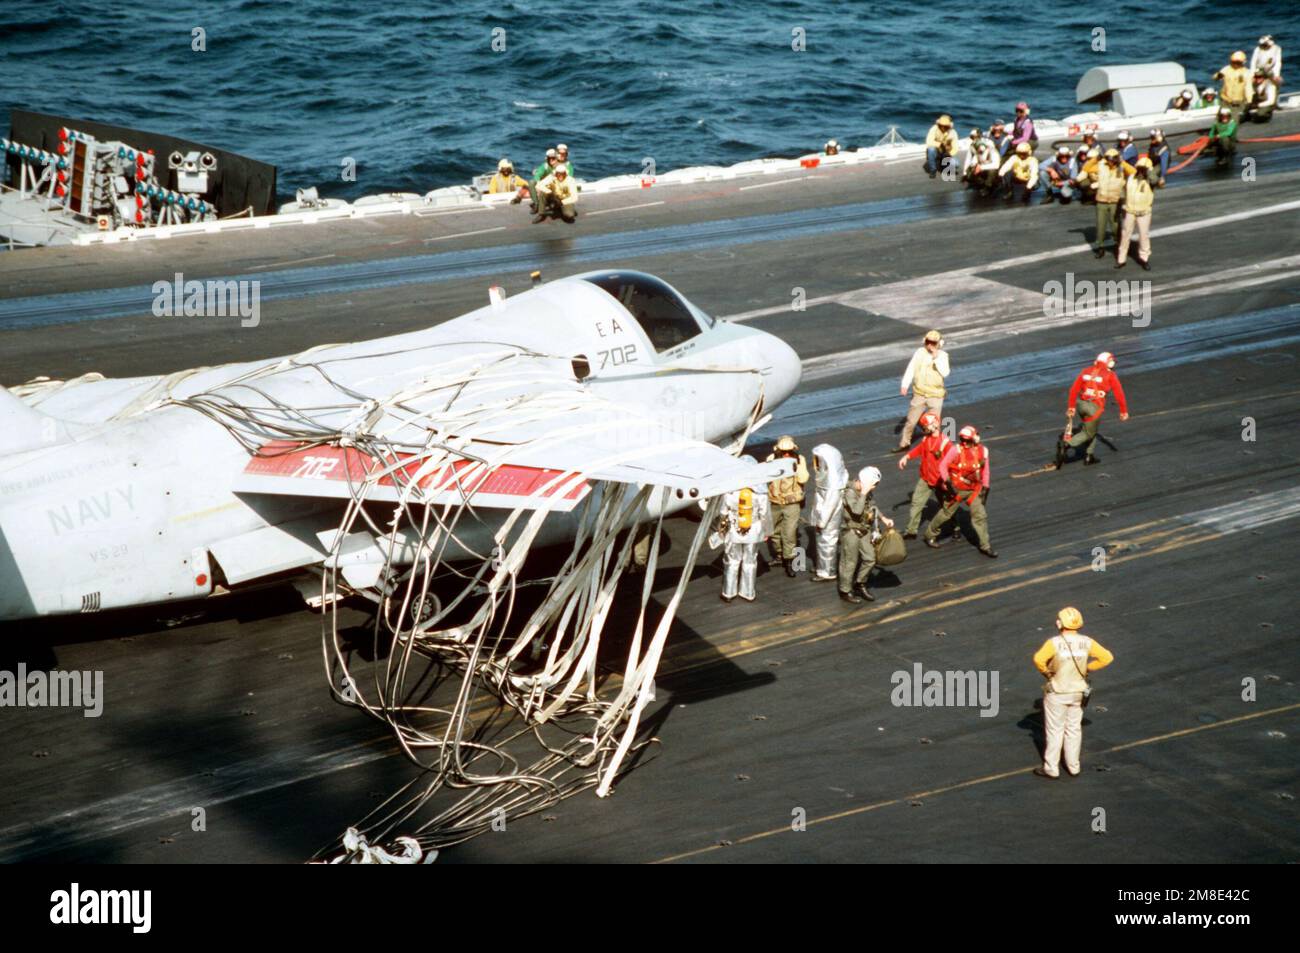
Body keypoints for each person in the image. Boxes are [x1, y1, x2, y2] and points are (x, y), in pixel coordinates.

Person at [1032, 607, 1114, 779]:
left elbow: (1038, 659)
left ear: (1059, 623)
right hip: (1078, 692)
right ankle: (1073, 766)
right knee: (1074, 729)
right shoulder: (1087, 641)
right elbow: (1107, 657)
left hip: (1058, 691)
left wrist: (1046, 672)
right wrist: (1087, 669)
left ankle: (1051, 768)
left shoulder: (1054, 643)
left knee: (1055, 730)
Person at [925, 425, 995, 557]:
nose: (964, 443)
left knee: (980, 516)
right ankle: (929, 535)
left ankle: (985, 546)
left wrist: (986, 488)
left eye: (966, 440)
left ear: (975, 438)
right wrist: (948, 483)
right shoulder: (955, 450)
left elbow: (986, 471)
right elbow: (943, 466)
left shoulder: (983, 451)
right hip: (956, 489)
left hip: (974, 489)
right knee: (946, 513)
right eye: (962, 439)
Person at [1055, 351, 1129, 467]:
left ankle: (1089, 456)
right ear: (1108, 362)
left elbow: (1073, 390)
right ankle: (1066, 444)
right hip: (1094, 407)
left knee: (1091, 429)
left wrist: (1071, 407)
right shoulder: (1110, 375)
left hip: (1081, 404)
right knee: (1088, 433)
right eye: (1112, 361)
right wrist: (1123, 411)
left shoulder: (1086, 371)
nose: (1114, 363)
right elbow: (1119, 394)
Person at [838, 466, 891, 604]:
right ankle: (845, 590)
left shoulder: (865, 492)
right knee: (849, 562)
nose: (874, 488)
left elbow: (872, 506)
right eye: (873, 485)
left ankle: (860, 583)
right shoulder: (850, 493)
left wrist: (883, 518)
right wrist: (863, 494)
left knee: (870, 558)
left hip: (864, 529)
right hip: (851, 531)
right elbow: (856, 511)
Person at [718, 466, 770, 603]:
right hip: (753, 531)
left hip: (734, 530)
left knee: (732, 561)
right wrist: (767, 532)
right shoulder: (760, 494)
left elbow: (723, 513)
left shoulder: (729, 493)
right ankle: (748, 593)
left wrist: (721, 529)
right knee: (750, 562)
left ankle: (728, 592)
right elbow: (765, 515)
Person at [894, 329, 949, 452]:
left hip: (935, 396)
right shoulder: (919, 353)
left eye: (933, 343)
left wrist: (936, 358)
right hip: (919, 394)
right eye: (928, 342)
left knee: (934, 424)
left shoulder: (943, 356)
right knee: (911, 421)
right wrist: (905, 384)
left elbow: (945, 373)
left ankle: (935, 447)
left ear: (939, 344)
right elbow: (911, 368)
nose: (930, 345)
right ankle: (904, 444)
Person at [897, 411, 950, 540]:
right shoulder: (926, 439)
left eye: (927, 425)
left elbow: (952, 463)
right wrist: (907, 456)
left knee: (947, 507)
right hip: (926, 478)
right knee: (916, 502)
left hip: (940, 481)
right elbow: (920, 449)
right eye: (925, 426)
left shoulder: (945, 443)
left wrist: (948, 482)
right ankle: (911, 531)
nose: (925, 428)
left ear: (936, 423)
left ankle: (956, 527)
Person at [765, 435, 809, 576]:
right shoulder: (771, 459)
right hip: (775, 502)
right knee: (774, 532)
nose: (786, 454)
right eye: (783, 452)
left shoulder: (799, 459)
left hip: (792, 503)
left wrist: (797, 465)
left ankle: (789, 560)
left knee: (789, 533)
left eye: (789, 451)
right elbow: (766, 478)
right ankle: (780, 555)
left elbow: (803, 478)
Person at [1079, 147, 1134, 257]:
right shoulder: (1101, 166)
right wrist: (1095, 159)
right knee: (1101, 226)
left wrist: (1122, 162)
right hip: (1101, 200)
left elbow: (1134, 172)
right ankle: (1100, 247)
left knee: (1115, 226)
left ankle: (1118, 244)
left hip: (1115, 200)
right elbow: (1086, 169)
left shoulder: (1122, 167)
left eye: (1113, 159)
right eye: (1109, 159)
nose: (1111, 161)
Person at [810, 444, 848, 582]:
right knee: (823, 541)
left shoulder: (832, 482)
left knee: (827, 542)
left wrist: (821, 521)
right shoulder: (835, 474)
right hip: (822, 512)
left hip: (828, 516)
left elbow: (830, 505)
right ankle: (822, 567)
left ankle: (827, 572)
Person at [1116, 157, 1155, 271]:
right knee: (1125, 235)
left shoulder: (1150, 180)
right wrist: (1123, 204)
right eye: (1139, 168)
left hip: (1144, 212)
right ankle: (1121, 259)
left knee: (1143, 236)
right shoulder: (1131, 178)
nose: (1141, 171)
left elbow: (1157, 180)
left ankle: (1144, 259)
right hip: (1130, 211)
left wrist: (1149, 171)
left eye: (1144, 169)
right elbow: (1124, 191)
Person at [1213, 51, 1252, 122]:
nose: (1235, 64)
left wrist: (1249, 100)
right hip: (1225, 100)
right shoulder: (1226, 69)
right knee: (1219, 119)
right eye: (1233, 62)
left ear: (1242, 62)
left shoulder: (1247, 73)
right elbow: (1215, 77)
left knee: (1233, 121)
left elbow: (1248, 88)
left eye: (1238, 62)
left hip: (1237, 102)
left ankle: (1244, 115)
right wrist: (1218, 76)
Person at [962, 128, 1000, 194]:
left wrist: (981, 167)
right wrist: (965, 173)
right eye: (972, 137)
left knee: (992, 172)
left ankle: (989, 186)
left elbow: (996, 165)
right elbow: (969, 159)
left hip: (991, 166)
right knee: (969, 173)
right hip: (981, 165)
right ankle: (982, 184)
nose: (974, 139)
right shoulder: (973, 146)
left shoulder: (990, 145)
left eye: (976, 137)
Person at [528, 148, 559, 213]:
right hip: (545, 188)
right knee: (531, 182)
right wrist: (539, 185)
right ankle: (536, 204)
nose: (551, 160)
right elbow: (537, 175)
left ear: (556, 158)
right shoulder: (545, 166)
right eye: (549, 158)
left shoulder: (560, 166)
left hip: (556, 188)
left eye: (553, 158)